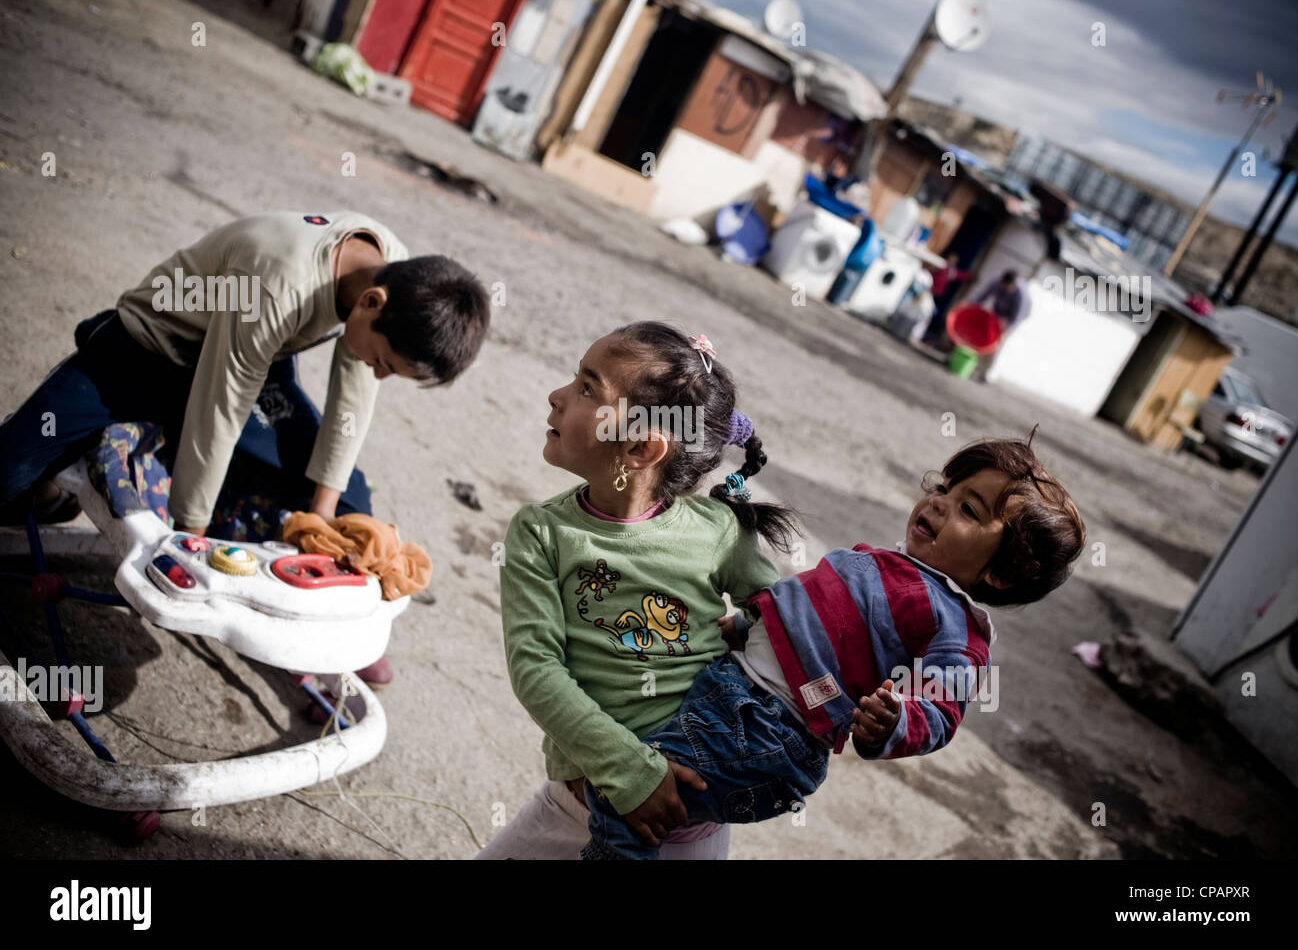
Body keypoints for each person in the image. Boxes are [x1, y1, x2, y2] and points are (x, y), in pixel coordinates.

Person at [0, 210, 491, 683]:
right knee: (8, 475)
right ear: (372, 302)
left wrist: (316, 522)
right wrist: (188, 545)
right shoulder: (280, 278)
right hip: (146, 353)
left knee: (348, 502)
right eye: (383, 362)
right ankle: (50, 494)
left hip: (254, 363)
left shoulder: (394, 268)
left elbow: (351, 405)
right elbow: (219, 409)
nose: (379, 373)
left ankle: (318, 635)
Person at [580, 426, 1086, 859]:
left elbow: (941, 712)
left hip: (768, 733)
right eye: (945, 487)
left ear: (998, 574)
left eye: (969, 511)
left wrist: (894, 722)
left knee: (628, 788)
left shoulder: (955, 624)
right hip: (733, 696)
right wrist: (749, 626)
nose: (937, 502)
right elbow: (811, 611)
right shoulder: (887, 563)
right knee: (640, 781)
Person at [480, 322, 800, 859]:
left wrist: (747, 631)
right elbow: (536, 669)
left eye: (587, 388)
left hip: (690, 823)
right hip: (578, 804)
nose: (556, 396)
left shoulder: (719, 531)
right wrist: (634, 774)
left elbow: (790, 626)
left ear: (640, 448)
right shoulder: (543, 532)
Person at [921, 252, 973, 346]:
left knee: (932, 313)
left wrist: (969, 277)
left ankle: (925, 333)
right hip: (930, 291)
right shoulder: (940, 265)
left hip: (938, 295)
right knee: (927, 311)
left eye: (955, 260)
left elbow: (959, 275)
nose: (953, 261)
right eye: (952, 259)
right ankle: (922, 333)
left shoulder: (950, 270)